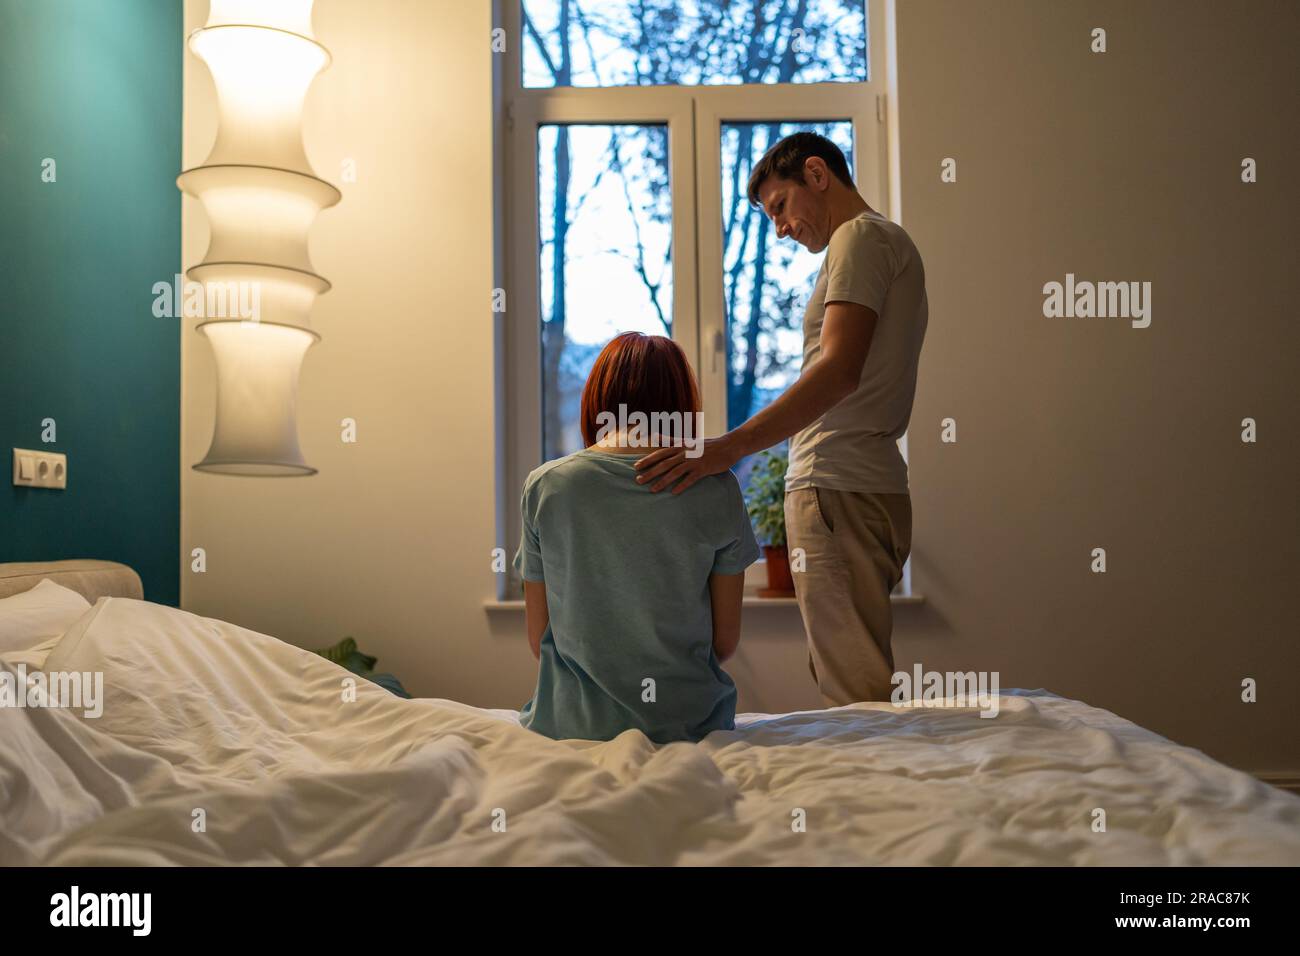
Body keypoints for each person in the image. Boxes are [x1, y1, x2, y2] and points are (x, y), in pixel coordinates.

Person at [634, 132, 929, 707]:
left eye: (780, 208)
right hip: (863, 483)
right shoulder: (883, 243)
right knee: (852, 672)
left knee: (854, 690)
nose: (781, 229)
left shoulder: (860, 239)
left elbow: (838, 371)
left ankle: (873, 795)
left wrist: (727, 448)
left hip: (836, 482)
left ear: (817, 175)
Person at [514, 331, 760, 742]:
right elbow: (724, 641)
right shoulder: (717, 488)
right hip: (691, 726)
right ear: (681, 403)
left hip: (571, 727)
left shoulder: (547, 486)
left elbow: (540, 641)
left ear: (598, 399)